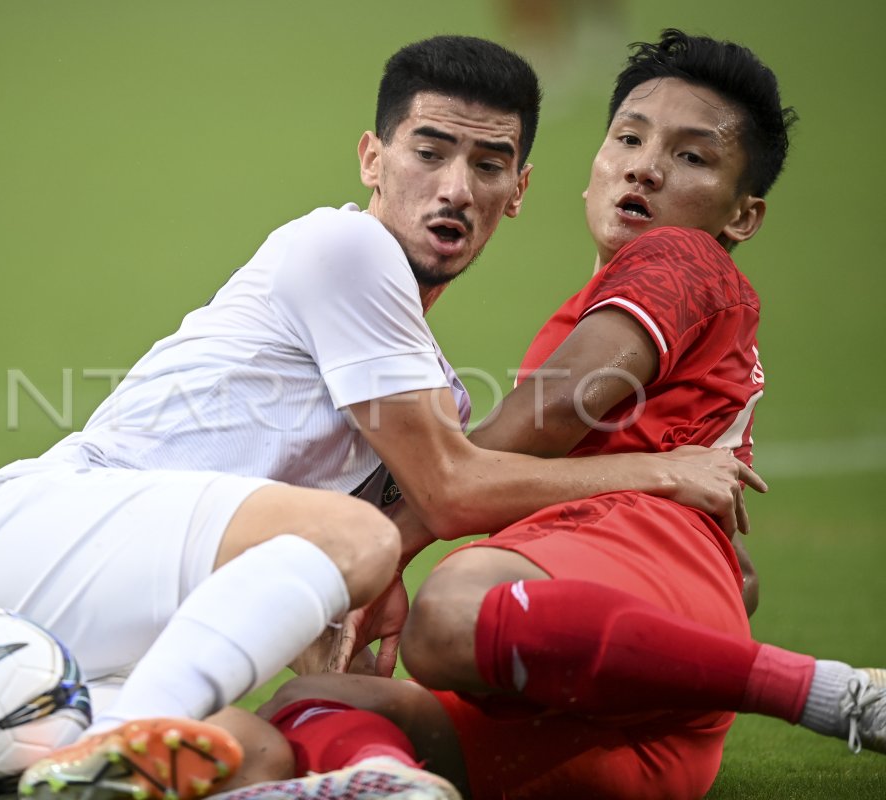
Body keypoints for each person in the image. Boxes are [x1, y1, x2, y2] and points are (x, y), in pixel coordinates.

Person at [0, 35, 764, 800]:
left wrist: (361, 610)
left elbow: (416, 501)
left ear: (519, 189)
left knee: (252, 748)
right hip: (36, 531)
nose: (455, 186)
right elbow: (450, 491)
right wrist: (658, 471)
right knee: (348, 538)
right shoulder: (342, 247)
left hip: (99, 618)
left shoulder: (428, 388)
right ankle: (127, 731)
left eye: (487, 165)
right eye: (429, 150)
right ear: (371, 158)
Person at [232, 29, 886, 800]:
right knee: (311, 704)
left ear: (742, 217)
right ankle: (391, 783)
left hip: (625, 557)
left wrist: (383, 548)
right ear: (592, 168)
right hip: (624, 710)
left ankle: (829, 692)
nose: (644, 166)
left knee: (451, 615)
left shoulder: (680, 257)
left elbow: (548, 414)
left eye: (691, 157)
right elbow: (728, 576)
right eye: (629, 138)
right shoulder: (603, 308)